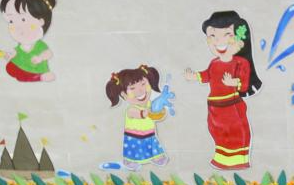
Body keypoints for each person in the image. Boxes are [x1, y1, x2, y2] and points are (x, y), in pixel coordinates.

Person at [184, 10, 261, 170]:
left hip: (231, 106)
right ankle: (222, 159)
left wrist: (234, 82)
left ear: (240, 41)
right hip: (214, 107)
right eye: (213, 36)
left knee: (235, 132)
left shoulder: (241, 63)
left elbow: (244, 84)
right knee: (217, 132)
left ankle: (238, 160)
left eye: (226, 34)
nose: (218, 41)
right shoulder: (214, 63)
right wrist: (195, 76)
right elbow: (207, 75)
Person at [105, 65, 170, 170]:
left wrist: (160, 111)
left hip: (150, 134)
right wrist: (147, 112)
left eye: (143, 84)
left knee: (153, 146)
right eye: (132, 88)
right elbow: (142, 114)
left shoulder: (149, 103)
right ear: (123, 94)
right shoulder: (131, 110)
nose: (140, 91)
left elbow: (156, 113)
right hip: (134, 137)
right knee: (134, 150)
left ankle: (156, 157)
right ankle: (129, 161)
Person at [0, 0, 56, 82]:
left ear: (41, 21)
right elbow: (16, 51)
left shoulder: (39, 45)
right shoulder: (21, 45)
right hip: (20, 66)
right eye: (11, 21)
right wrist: (10, 55)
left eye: (23, 19)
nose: (17, 27)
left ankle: (39, 77)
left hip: (35, 69)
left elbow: (49, 53)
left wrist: (40, 58)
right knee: (10, 67)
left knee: (31, 73)